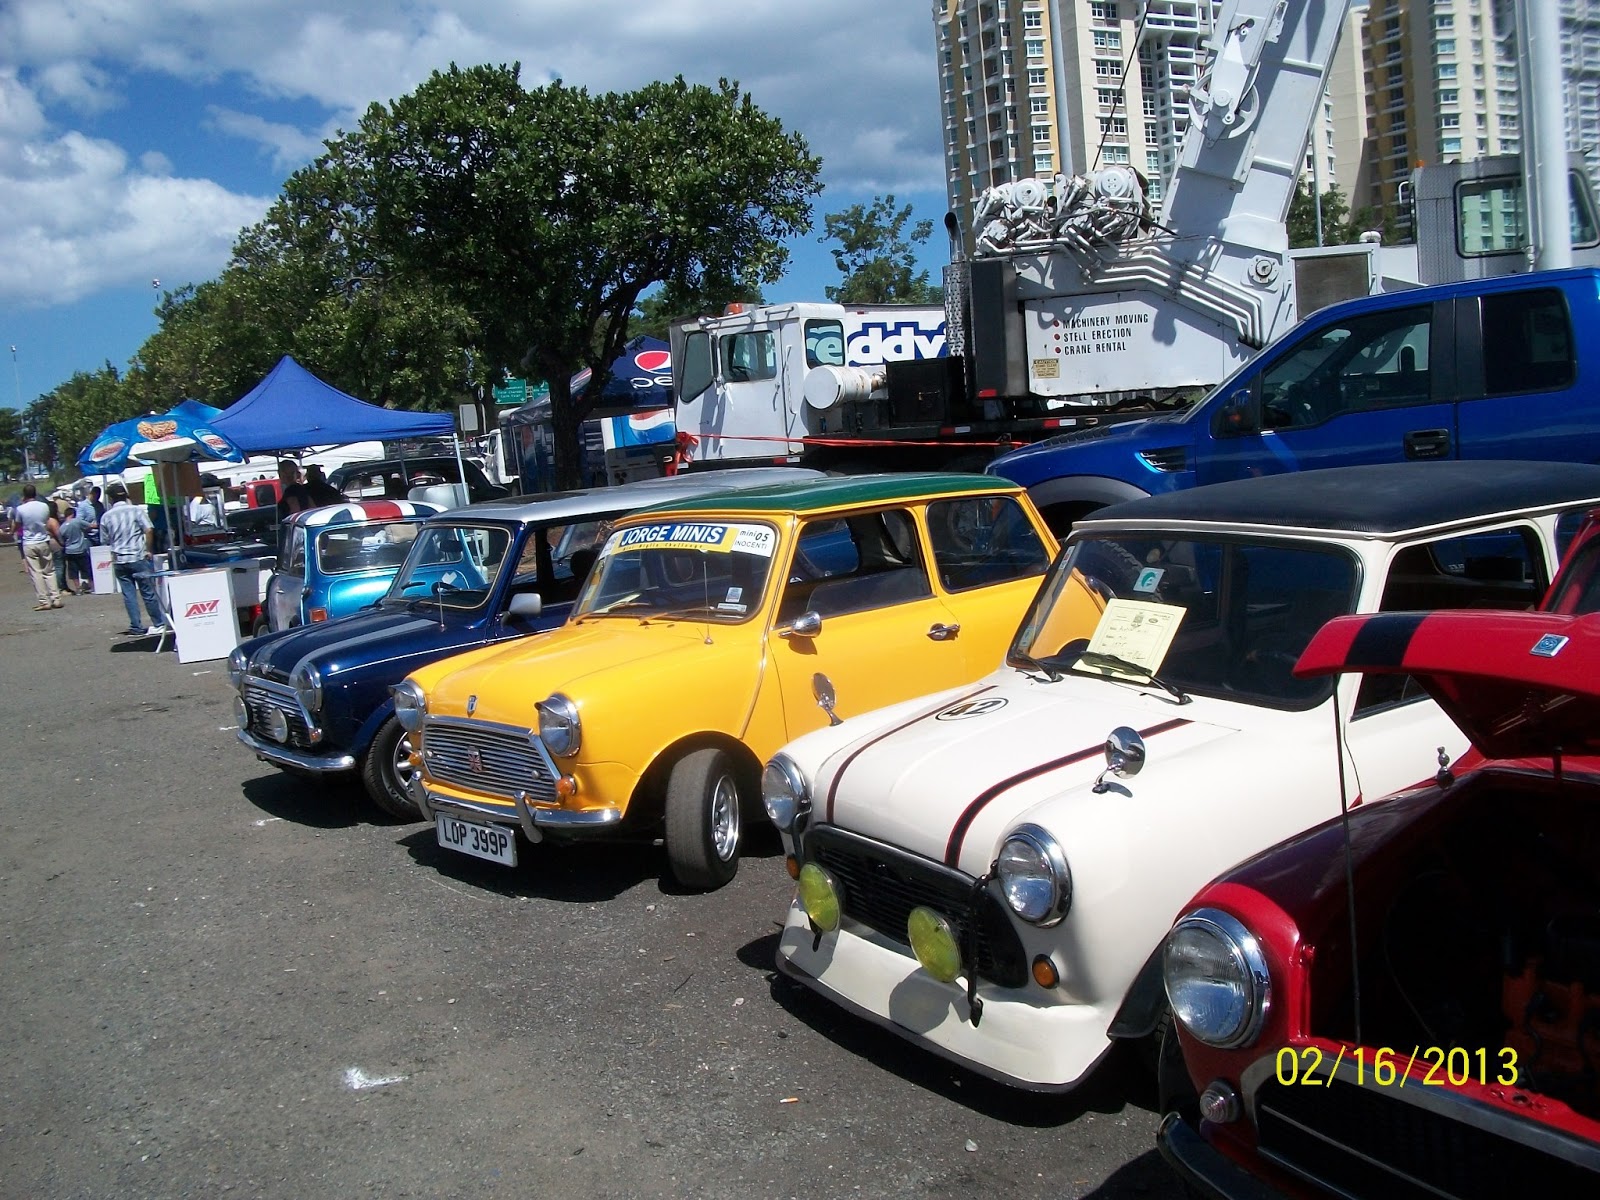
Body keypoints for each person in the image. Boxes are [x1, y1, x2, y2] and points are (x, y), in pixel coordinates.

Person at [101, 481, 168, 635]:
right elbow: (149, 529)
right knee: (147, 591)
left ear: (110, 499)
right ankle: (157, 623)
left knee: (128, 594)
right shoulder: (136, 511)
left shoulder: (106, 516)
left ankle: (136, 625)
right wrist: (148, 549)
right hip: (138, 556)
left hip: (119, 559)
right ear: (126, 495)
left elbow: (104, 539)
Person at [15, 484, 62, 610]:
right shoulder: (44, 506)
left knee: (36, 573)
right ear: (35, 494)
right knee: (49, 571)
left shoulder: (20, 509)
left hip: (29, 542)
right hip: (43, 540)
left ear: (24, 495)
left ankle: (44, 601)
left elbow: (18, 525)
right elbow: (46, 521)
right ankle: (56, 598)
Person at [56, 507, 92, 594]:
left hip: (69, 551)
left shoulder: (62, 527)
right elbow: (90, 526)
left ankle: (78, 588)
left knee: (73, 570)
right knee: (86, 568)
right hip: (80, 549)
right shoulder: (77, 521)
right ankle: (92, 586)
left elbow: (61, 540)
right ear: (72, 514)